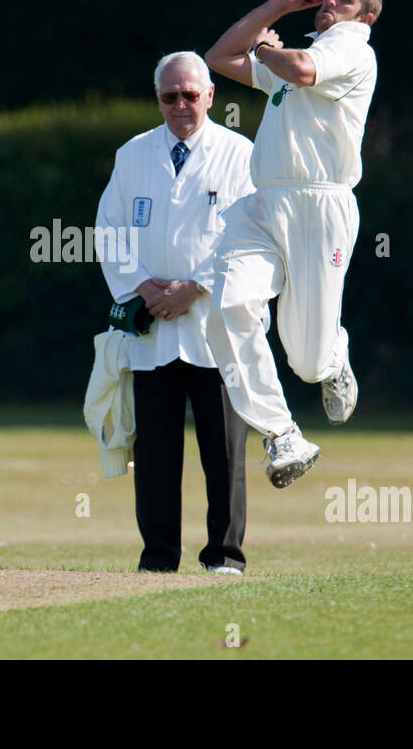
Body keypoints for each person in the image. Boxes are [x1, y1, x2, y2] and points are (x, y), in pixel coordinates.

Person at [204, 0, 382, 488]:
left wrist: (264, 49)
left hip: (321, 207)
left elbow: (301, 69)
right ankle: (282, 434)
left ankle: (333, 357)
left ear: (365, 17)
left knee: (305, 361)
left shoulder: (352, 49)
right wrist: (276, 7)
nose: (331, 1)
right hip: (262, 204)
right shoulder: (296, 53)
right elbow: (219, 57)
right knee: (231, 304)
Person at [95, 51, 255, 573]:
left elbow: (251, 238)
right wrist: (145, 288)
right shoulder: (133, 154)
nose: (181, 104)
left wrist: (195, 288)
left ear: (211, 95)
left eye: (191, 94)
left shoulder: (241, 154)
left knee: (224, 451)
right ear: (158, 99)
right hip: (153, 328)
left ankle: (225, 558)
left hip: (218, 325)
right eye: (170, 96)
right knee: (157, 454)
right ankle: (158, 558)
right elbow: (110, 231)